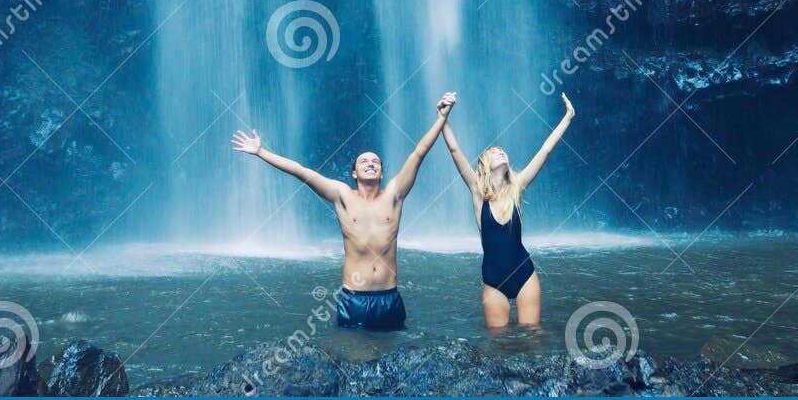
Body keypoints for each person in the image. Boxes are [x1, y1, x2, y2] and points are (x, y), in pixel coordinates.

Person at [230, 92, 455, 331]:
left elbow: (419, 152)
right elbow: (301, 171)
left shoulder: (394, 195)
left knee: (395, 355)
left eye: (376, 162)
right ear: (354, 174)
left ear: (381, 174)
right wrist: (261, 152)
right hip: (354, 298)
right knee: (352, 355)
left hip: (389, 296)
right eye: (364, 162)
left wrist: (442, 117)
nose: (370, 163)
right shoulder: (343, 196)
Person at [441, 92, 574, 327]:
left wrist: (568, 117)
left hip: (524, 274)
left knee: (532, 335)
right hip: (493, 280)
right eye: (494, 152)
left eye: (502, 150)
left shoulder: (517, 186)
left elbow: (545, 151)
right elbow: (454, 150)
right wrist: (444, 116)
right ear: (484, 165)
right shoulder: (476, 191)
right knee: (497, 342)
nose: (500, 152)